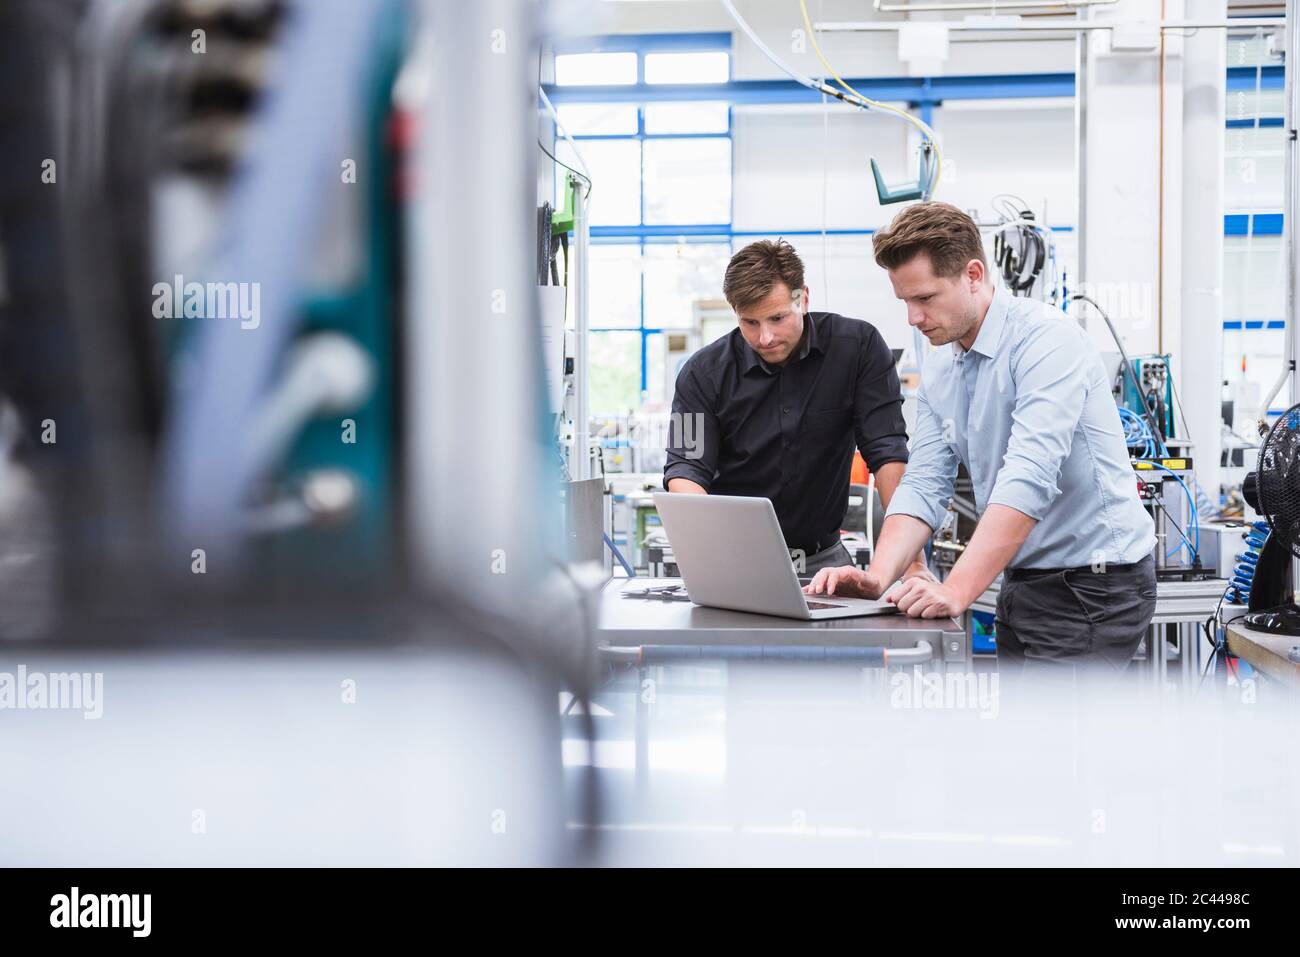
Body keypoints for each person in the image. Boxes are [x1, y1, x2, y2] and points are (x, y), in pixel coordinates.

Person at [806, 202, 1157, 672]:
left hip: (1095, 586)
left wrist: (955, 590)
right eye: (904, 302)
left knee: (1056, 741)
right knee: (1022, 741)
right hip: (1023, 580)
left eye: (925, 298)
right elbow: (925, 482)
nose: (912, 317)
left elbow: (1028, 478)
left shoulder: (1047, 342)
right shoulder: (941, 365)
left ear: (973, 274)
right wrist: (878, 577)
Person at [664, 239, 929, 579]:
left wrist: (914, 564)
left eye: (777, 318)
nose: (766, 338)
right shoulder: (702, 373)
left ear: (803, 298)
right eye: (750, 323)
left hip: (823, 561)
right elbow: (686, 470)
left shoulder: (857, 349)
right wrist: (710, 557)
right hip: (734, 561)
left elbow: (888, 454)